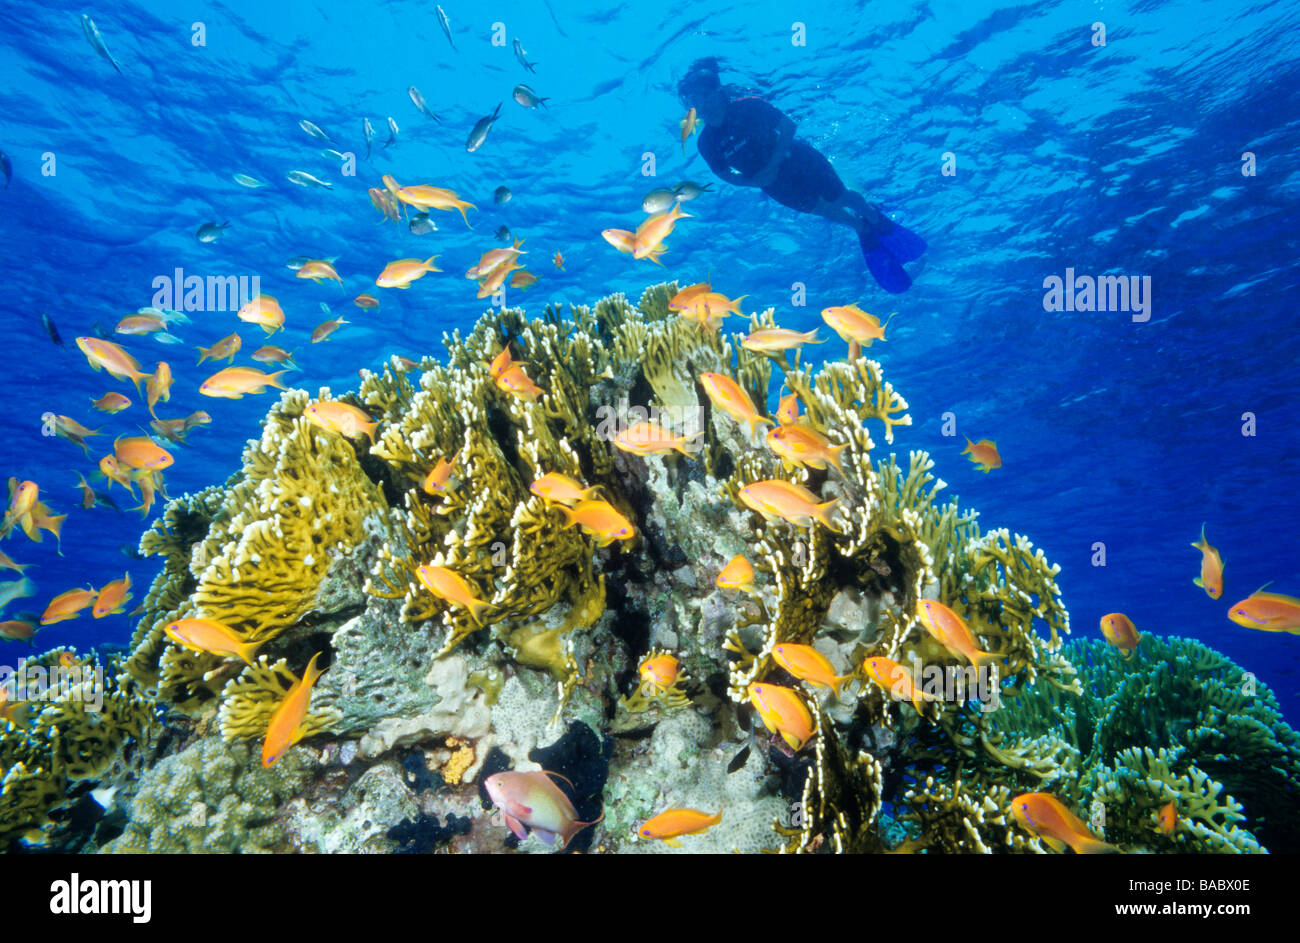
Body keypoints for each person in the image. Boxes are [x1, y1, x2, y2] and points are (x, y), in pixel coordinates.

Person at [677, 58, 926, 294]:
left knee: (838, 197)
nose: (703, 105)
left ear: (719, 91)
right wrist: (752, 182)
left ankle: (872, 215)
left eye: (706, 95)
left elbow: (788, 126)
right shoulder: (706, 142)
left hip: (799, 160)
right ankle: (860, 227)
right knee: (819, 209)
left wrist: (773, 163)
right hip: (774, 185)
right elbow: (723, 173)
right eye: (695, 100)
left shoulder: (748, 106)